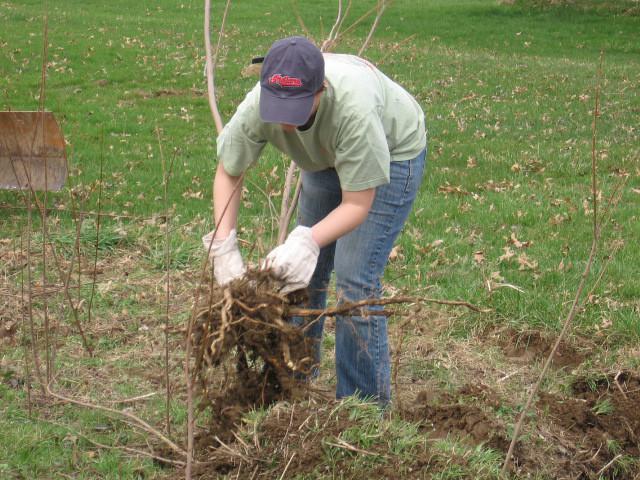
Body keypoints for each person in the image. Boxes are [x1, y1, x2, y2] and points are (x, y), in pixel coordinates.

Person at [203, 36, 427, 406]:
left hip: (393, 151)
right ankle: (291, 380)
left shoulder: (353, 111)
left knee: (355, 279)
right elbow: (229, 171)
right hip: (323, 158)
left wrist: (306, 238)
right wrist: (224, 248)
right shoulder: (257, 104)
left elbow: (357, 203)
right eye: (279, 109)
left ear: (320, 91)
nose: (287, 125)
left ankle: (361, 409)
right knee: (303, 273)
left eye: (298, 110)